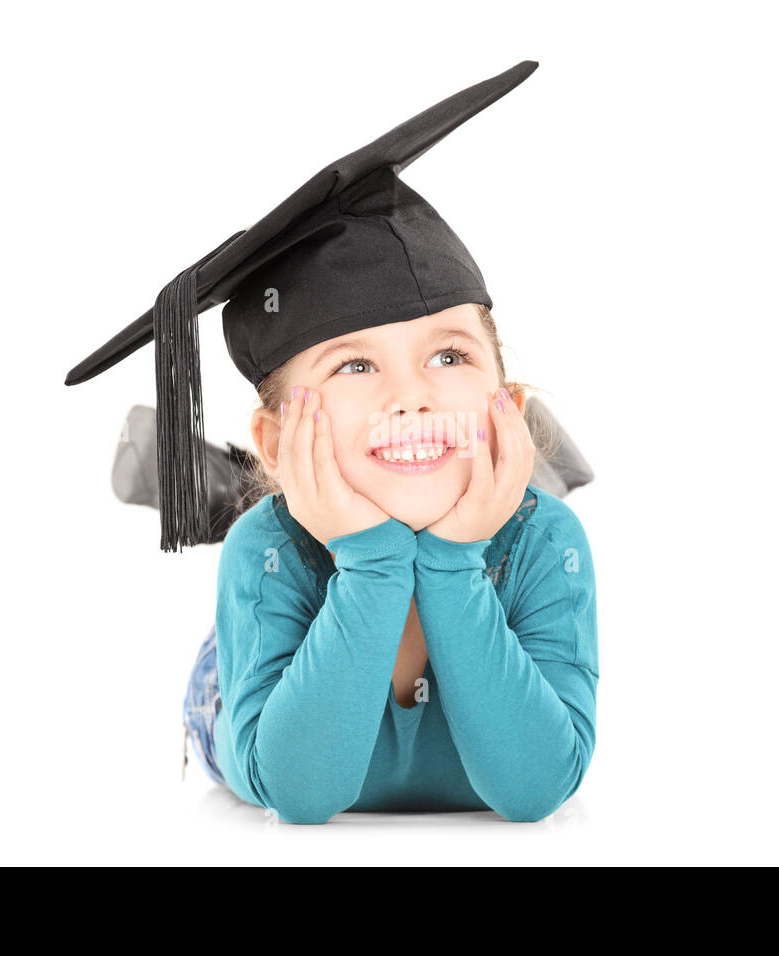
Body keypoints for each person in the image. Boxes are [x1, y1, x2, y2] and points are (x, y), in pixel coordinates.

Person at [66, 60, 599, 824]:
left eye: (450, 355)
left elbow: (536, 787)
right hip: (253, 663)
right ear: (276, 439)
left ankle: (487, 453)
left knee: (518, 502)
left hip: (490, 503)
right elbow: (302, 794)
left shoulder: (549, 544)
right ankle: (235, 483)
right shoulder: (267, 555)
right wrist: (375, 560)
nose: (411, 392)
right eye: (354, 364)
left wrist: (450, 561)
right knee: (283, 518)